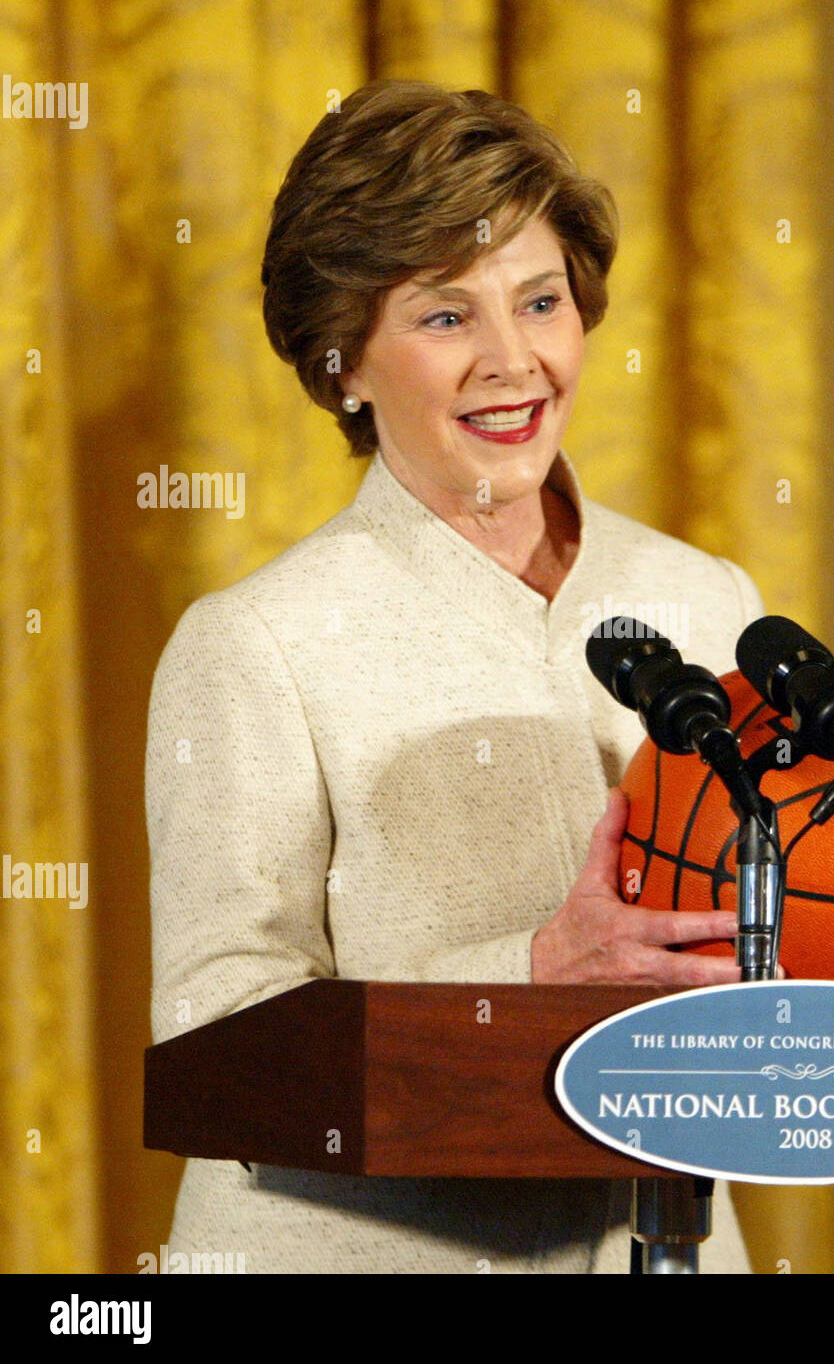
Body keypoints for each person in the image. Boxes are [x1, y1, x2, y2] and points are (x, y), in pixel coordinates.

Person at [146, 80, 762, 1273]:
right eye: (444, 318)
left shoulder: (709, 599)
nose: (513, 359)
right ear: (343, 366)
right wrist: (530, 975)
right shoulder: (253, 644)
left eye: (541, 301)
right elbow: (214, 1041)